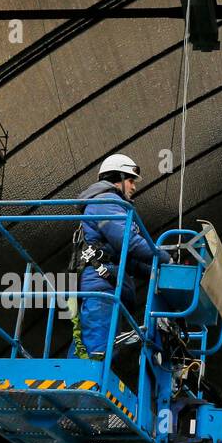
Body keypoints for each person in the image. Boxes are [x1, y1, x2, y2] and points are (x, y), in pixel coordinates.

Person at [72, 153, 171, 362]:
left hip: (107, 283)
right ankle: (82, 392)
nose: (134, 187)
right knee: (96, 355)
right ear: (117, 177)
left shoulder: (112, 204)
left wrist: (155, 271)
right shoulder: (106, 202)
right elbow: (130, 243)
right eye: (131, 180)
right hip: (101, 286)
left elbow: (129, 259)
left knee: (94, 350)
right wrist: (163, 257)